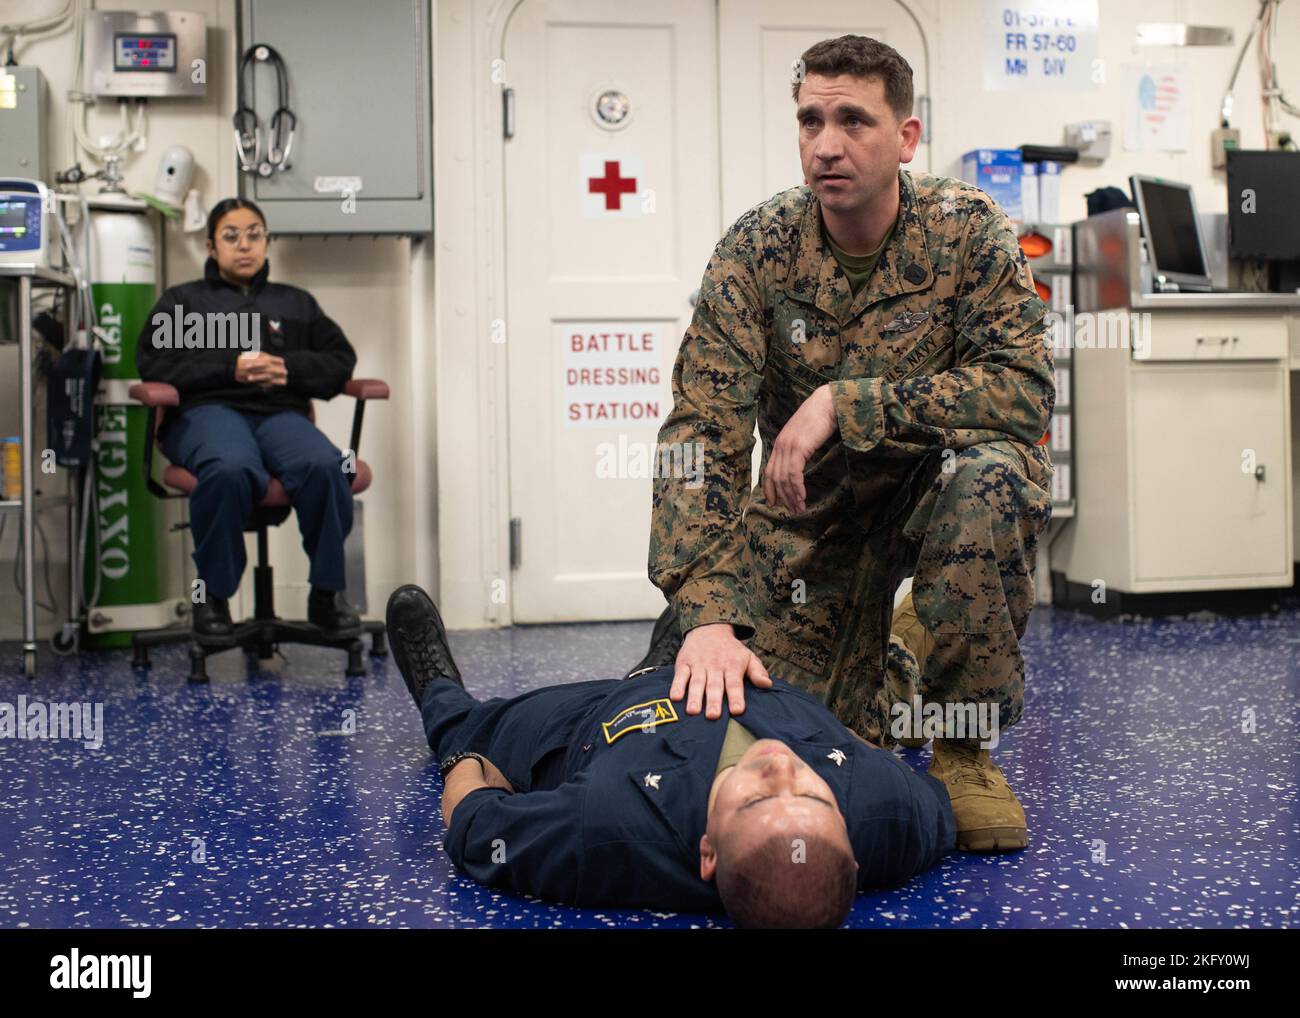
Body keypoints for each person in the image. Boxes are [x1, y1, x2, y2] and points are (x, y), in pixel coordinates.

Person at [647, 35, 1055, 852]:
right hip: (813, 517)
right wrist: (705, 613)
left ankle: (964, 746)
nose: (826, 144)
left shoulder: (969, 232)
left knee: (990, 478)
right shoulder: (757, 250)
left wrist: (848, 402)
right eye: (810, 119)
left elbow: (1021, 392)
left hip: (935, 492)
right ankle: (899, 657)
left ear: (905, 137)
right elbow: (700, 439)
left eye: (853, 121)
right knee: (754, 730)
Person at [386, 584, 955, 928]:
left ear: (708, 852)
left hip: (597, 718)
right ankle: (669, 655)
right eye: (813, 797)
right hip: (751, 679)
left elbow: (475, 826)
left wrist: (466, 760)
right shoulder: (890, 817)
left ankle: (443, 698)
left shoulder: (605, 832)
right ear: (853, 857)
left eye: (757, 800)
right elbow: (929, 792)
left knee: (467, 728)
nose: (783, 769)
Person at [136, 197, 361, 637]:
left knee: (327, 466)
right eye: (231, 236)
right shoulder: (182, 302)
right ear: (210, 246)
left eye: (254, 235)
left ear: (267, 242)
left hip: (278, 413)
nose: (245, 245)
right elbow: (153, 366)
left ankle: (326, 593)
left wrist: (289, 369)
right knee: (230, 468)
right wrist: (228, 369)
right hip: (206, 413)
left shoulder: (296, 304)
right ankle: (213, 597)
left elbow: (341, 361)